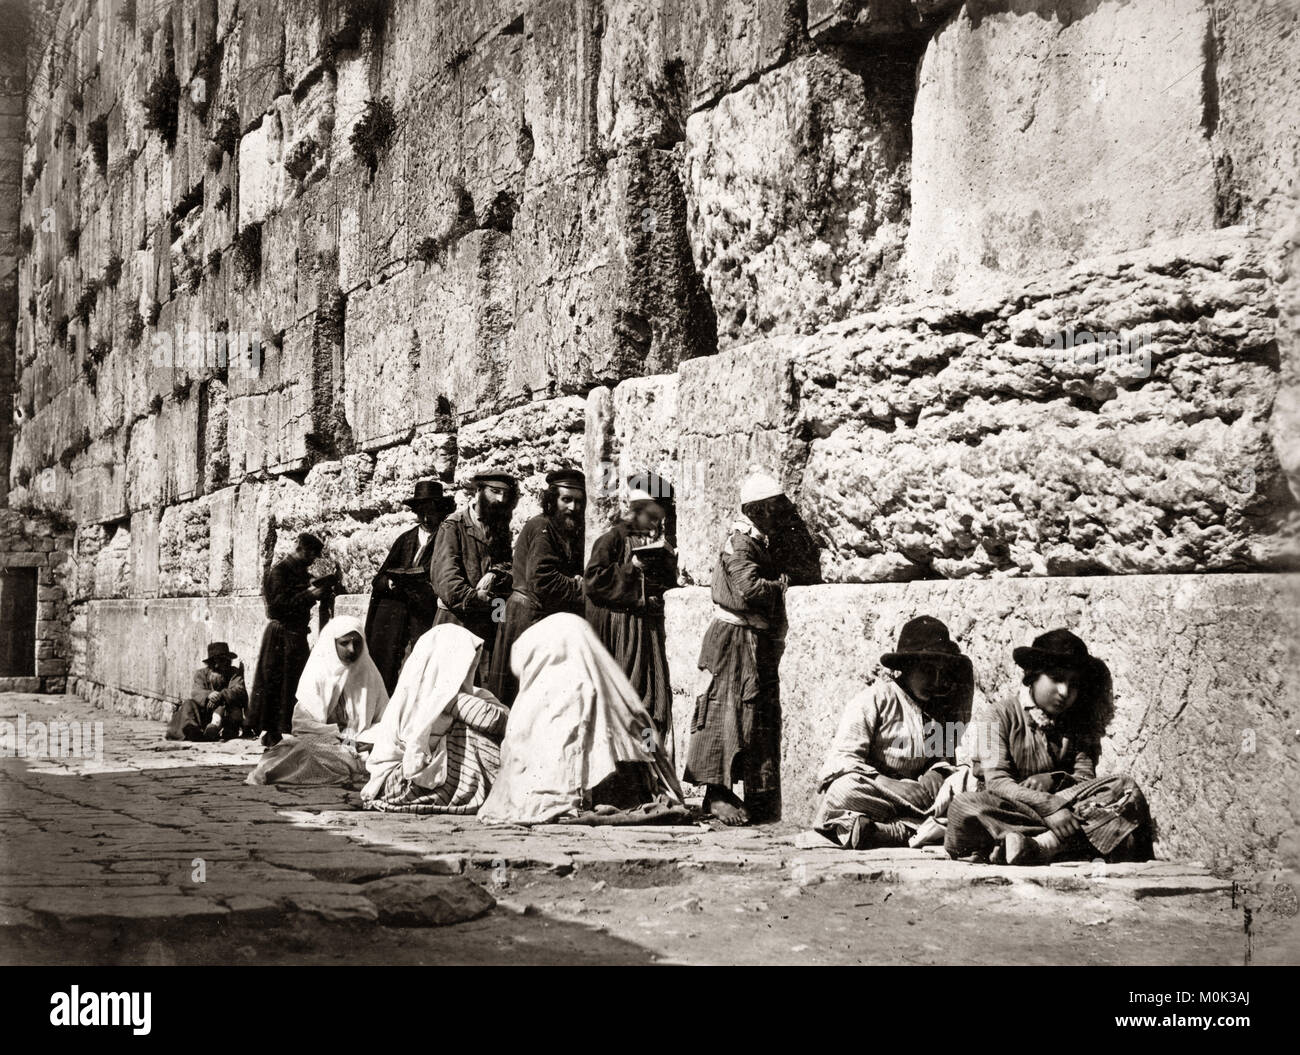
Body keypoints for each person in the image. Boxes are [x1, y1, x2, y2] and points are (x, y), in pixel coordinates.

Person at [944, 628, 1151, 865]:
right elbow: (997, 782)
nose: (1064, 692)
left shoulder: (1075, 724)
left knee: (1124, 788)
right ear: (1033, 675)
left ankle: (1039, 846)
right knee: (965, 806)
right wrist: (1050, 807)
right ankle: (1066, 843)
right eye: (1056, 678)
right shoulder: (997, 715)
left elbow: (1085, 779)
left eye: (1073, 684)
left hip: (1064, 814)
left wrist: (1054, 779)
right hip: (1014, 810)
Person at [479, 613, 687, 826]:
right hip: (633, 786)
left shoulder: (532, 709)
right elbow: (650, 741)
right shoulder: (622, 696)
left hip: (589, 789)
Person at [683, 470, 790, 826]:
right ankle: (715, 795)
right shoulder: (741, 544)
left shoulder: (756, 541)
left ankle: (743, 792)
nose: (778, 514)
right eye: (772, 508)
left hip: (747, 640)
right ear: (755, 510)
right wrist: (779, 587)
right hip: (731, 641)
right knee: (722, 713)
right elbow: (750, 590)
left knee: (747, 716)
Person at [813, 617, 975, 848]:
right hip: (880, 793)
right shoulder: (874, 699)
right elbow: (841, 759)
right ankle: (903, 830)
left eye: (942, 672)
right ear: (906, 667)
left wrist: (937, 773)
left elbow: (945, 757)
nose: (937, 681)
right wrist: (889, 784)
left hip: (922, 797)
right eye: (928, 671)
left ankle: (876, 830)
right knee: (842, 790)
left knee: (969, 786)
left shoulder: (940, 706)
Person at [361, 624, 509, 814]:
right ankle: (508, 788)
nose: (471, 667)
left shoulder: (461, 695)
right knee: (467, 734)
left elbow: (510, 722)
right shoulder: (435, 695)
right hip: (399, 783)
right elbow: (493, 719)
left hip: (429, 777)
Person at [584, 473, 679, 758]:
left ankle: (649, 764)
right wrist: (632, 568)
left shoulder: (655, 541)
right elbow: (594, 582)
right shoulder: (611, 540)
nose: (653, 523)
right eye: (648, 515)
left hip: (646, 630)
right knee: (626, 694)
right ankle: (625, 766)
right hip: (621, 633)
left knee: (652, 696)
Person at [484, 468, 586, 707]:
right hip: (527, 617)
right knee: (522, 697)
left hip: (536, 616)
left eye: (578, 501)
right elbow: (543, 578)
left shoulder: (566, 529)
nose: (573, 507)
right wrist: (581, 588)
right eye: (566, 499)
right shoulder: (543, 527)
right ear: (552, 500)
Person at [246, 616, 389, 786]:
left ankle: (349, 767)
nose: (352, 649)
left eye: (357, 643)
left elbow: (387, 720)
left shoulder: (369, 674)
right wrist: (344, 740)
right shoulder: (317, 673)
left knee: (393, 751)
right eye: (344, 643)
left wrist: (368, 739)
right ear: (332, 643)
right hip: (328, 745)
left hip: (362, 746)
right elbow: (302, 725)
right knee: (304, 751)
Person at [365, 479, 457, 693]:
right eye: (421, 512)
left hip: (425, 614)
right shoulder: (406, 539)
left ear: (441, 511)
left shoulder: (447, 538)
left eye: (431, 512)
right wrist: (389, 582)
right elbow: (379, 578)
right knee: (388, 664)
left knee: (420, 669)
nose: (426, 518)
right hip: (397, 614)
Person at [431, 471, 517, 681]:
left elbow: (510, 567)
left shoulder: (500, 527)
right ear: (478, 491)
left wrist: (495, 574)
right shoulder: (454, 525)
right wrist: (474, 597)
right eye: (495, 492)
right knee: (452, 683)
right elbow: (446, 580)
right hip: (457, 618)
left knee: (491, 681)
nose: (500, 500)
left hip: (492, 615)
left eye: (505, 494)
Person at [248, 533, 328, 747]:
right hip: (281, 635)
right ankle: (272, 731)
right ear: (302, 550)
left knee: (293, 682)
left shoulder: (299, 572)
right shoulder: (279, 572)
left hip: (295, 634)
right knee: (277, 683)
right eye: (312, 555)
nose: (313, 560)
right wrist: (309, 595)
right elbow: (277, 607)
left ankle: (283, 729)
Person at [166, 642, 248, 742]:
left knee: (232, 709)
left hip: (226, 713)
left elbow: (239, 690)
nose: (217, 665)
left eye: (222, 661)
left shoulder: (234, 673)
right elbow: (196, 692)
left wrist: (221, 696)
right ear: (210, 663)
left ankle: (216, 728)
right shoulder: (201, 674)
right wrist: (208, 695)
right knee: (188, 704)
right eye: (214, 662)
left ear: (228, 661)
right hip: (205, 714)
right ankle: (193, 729)